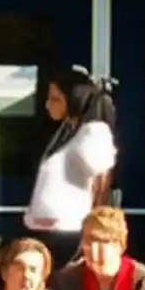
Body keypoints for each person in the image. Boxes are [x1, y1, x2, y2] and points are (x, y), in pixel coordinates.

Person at [24, 68, 118, 267]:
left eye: (55, 99)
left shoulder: (93, 133)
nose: (48, 104)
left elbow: (101, 185)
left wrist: (92, 231)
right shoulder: (66, 131)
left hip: (70, 234)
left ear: (74, 99)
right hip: (48, 231)